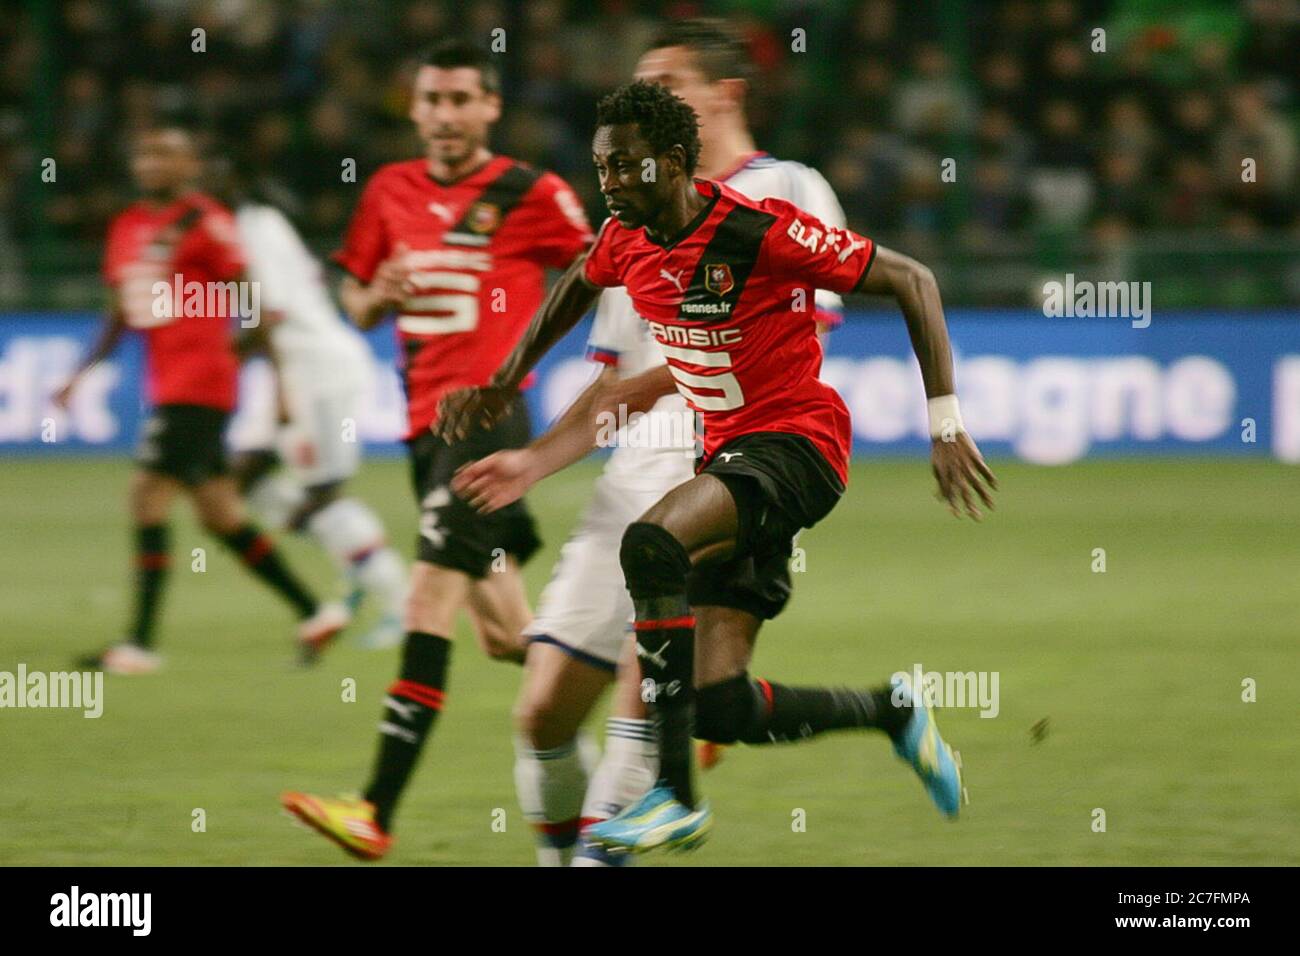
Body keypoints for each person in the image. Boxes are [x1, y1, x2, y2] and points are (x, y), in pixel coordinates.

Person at [441, 80, 997, 856]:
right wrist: (507, 377)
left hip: (796, 447)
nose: (607, 184)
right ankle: (892, 713)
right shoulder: (625, 237)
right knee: (719, 705)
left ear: (672, 163)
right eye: (599, 168)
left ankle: (672, 794)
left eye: (623, 167)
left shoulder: (756, 231)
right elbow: (575, 283)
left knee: (651, 543)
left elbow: (913, 279)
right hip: (728, 460)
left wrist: (945, 423)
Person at [492, 18, 859, 867]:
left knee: (645, 688)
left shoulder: (788, 189)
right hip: (631, 474)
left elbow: (785, 348)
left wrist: (678, 378)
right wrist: (535, 459)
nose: (650, 100)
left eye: (669, 84)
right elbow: (613, 384)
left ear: (721, 97)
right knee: (542, 711)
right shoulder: (634, 214)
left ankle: (622, 839)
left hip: (726, 462)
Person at [280, 39, 592, 860]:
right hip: (423, 433)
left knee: (425, 606)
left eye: (463, 99)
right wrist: (372, 294)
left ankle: (375, 809)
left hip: (485, 426)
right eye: (433, 100)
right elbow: (352, 301)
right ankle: (665, 689)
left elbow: (603, 270)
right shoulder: (388, 191)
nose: (447, 115)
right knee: (506, 635)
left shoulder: (533, 192)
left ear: (491, 107)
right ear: (414, 109)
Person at [54, 120, 348, 675]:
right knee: (221, 516)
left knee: (146, 498)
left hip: (202, 385)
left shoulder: (208, 224)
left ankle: (138, 645)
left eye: (166, 153)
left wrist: (280, 383)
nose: (151, 162)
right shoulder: (127, 226)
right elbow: (123, 311)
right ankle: (315, 612)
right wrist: (80, 374)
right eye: (144, 152)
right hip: (167, 383)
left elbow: (254, 305)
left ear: (191, 166)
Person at [223, 163, 408, 652]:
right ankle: (354, 560)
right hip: (292, 369)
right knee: (244, 476)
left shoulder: (252, 228)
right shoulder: (246, 225)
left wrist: (231, 356)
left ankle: (400, 605)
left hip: (316, 372)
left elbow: (271, 314)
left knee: (324, 493)